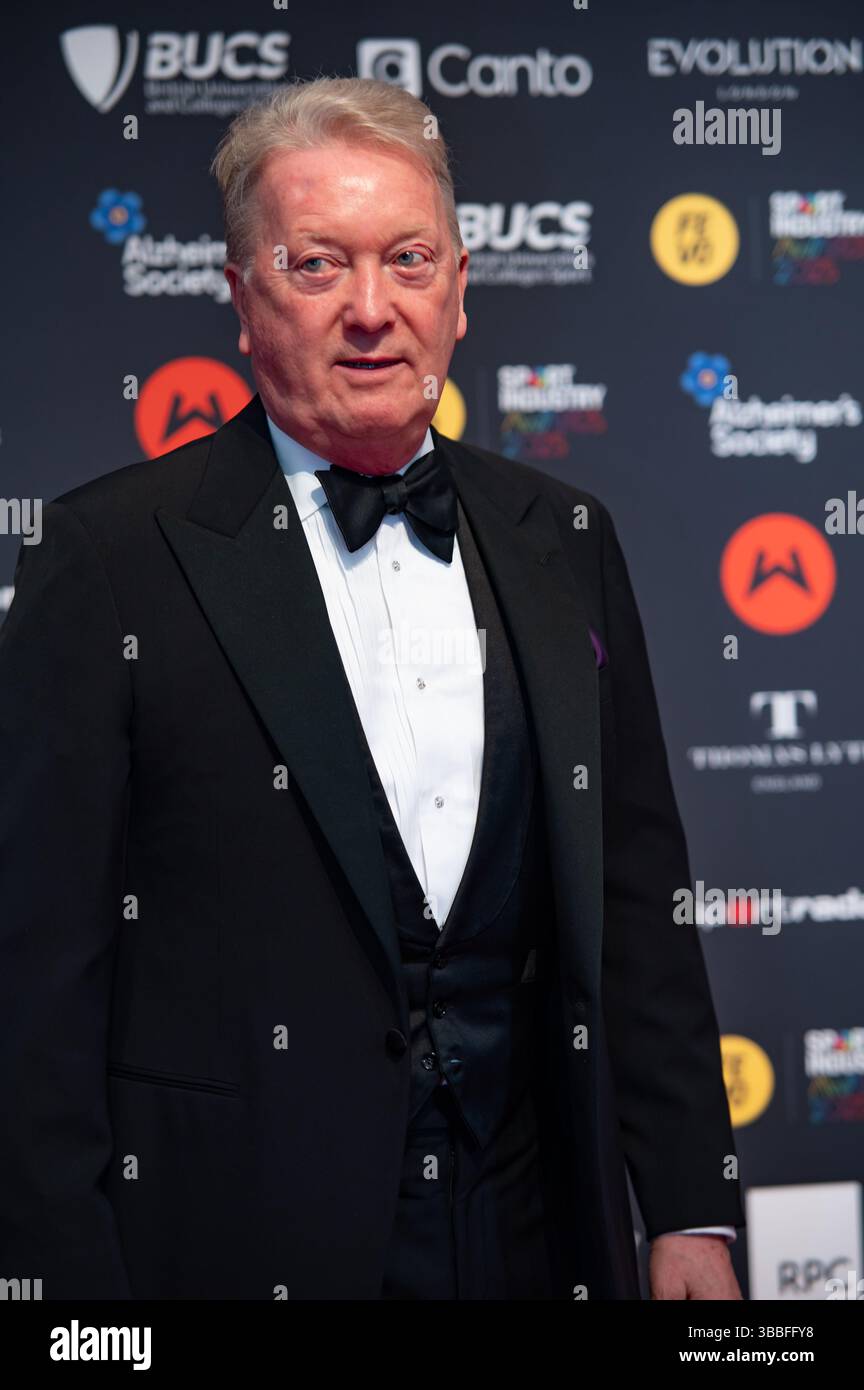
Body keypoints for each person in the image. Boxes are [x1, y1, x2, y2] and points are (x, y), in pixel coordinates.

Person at [0, 76, 743, 1300]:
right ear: (242, 299)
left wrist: (691, 1210)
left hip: (532, 1237)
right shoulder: (112, 560)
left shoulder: (565, 537)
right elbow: (34, 989)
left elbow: (636, 907)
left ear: (459, 288)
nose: (370, 311)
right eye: (316, 266)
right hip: (234, 1245)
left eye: (407, 261)